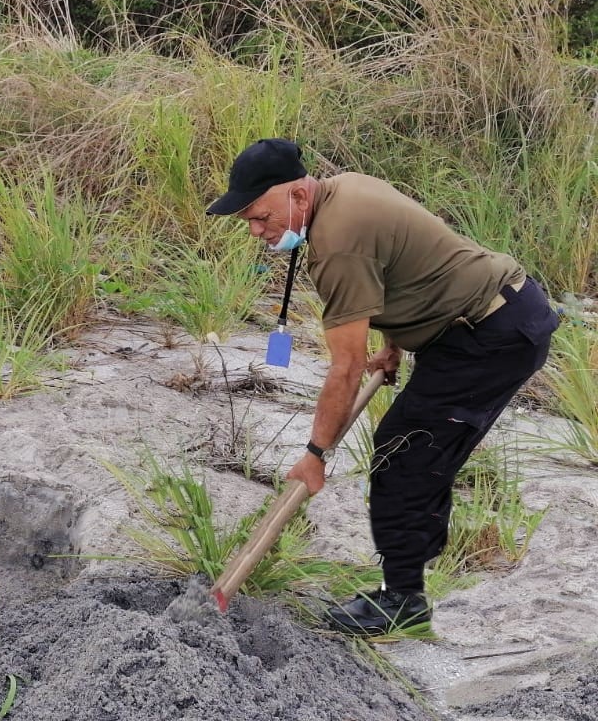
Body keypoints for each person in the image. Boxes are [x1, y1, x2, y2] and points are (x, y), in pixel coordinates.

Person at [207, 138, 558, 635]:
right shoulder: (345, 188)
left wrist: (314, 455)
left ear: (298, 197)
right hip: (495, 315)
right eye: (247, 221)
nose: (256, 231)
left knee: (403, 450)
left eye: (261, 217)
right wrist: (393, 344)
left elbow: (345, 368)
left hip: (491, 335)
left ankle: (403, 600)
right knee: (418, 449)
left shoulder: (337, 244)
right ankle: (414, 567)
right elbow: (402, 267)